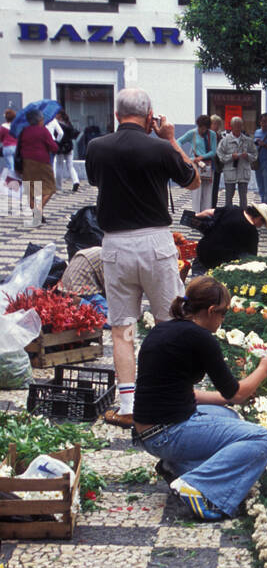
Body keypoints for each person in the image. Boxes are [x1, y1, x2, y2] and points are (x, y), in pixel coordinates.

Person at [85, 86, 199, 426]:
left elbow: (95, 181)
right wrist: (171, 140)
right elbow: (192, 181)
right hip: (155, 243)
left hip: (116, 245)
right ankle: (170, 395)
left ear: (116, 115)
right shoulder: (161, 148)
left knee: (123, 329)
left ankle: (128, 404)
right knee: (170, 323)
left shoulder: (96, 147)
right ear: (150, 116)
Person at [131, 276, 267, 521]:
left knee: (229, 417)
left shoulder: (165, 328)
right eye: (222, 314)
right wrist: (265, 368)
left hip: (147, 429)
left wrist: (227, 401)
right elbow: (237, 394)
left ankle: (175, 466)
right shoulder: (201, 338)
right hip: (165, 433)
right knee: (262, 440)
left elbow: (190, 394)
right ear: (211, 311)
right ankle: (197, 486)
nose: (222, 321)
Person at [190, 203, 267, 275]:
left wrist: (194, 217)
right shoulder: (252, 233)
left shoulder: (233, 209)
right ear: (259, 218)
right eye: (263, 223)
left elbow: (208, 212)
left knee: (196, 283)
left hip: (203, 251)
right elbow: (251, 258)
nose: (261, 226)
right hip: (219, 263)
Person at [18, 109, 58, 217]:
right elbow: (54, 147)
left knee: (30, 190)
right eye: (42, 119)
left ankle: (36, 212)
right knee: (50, 187)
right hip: (42, 163)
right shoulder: (43, 131)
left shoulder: (24, 131)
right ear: (39, 120)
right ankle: (38, 210)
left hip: (26, 162)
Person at [178, 115, 219, 216]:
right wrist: (187, 157)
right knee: (196, 192)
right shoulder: (192, 133)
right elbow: (178, 141)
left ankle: (206, 215)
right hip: (195, 165)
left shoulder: (212, 134)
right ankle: (196, 215)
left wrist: (202, 157)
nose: (202, 130)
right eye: (201, 127)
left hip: (208, 166)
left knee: (208, 193)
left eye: (205, 128)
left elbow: (214, 151)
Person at [217, 117, 257, 209]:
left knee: (243, 198)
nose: (238, 128)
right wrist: (231, 157)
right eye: (236, 126)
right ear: (231, 127)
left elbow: (255, 155)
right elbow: (220, 156)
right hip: (230, 172)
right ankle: (228, 217)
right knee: (228, 197)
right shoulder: (225, 141)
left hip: (243, 172)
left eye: (240, 126)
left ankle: (243, 218)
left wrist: (247, 156)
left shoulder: (248, 140)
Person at [49, 109, 80, 193]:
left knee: (59, 166)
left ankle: (58, 186)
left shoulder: (56, 123)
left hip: (60, 147)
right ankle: (76, 181)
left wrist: (57, 142)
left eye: (56, 114)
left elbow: (60, 134)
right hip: (69, 146)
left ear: (59, 115)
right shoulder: (68, 123)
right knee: (70, 166)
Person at [209, 114, 224, 207]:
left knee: (215, 189)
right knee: (207, 190)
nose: (216, 126)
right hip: (207, 167)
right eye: (214, 123)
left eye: (218, 124)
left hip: (217, 167)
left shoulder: (219, 137)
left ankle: (213, 208)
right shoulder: (205, 136)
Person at [0, 108, 16, 175]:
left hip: (7, 147)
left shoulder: (3, 126)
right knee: (17, 166)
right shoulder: (16, 126)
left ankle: (12, 180)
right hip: (17, 147)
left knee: (10, 166)